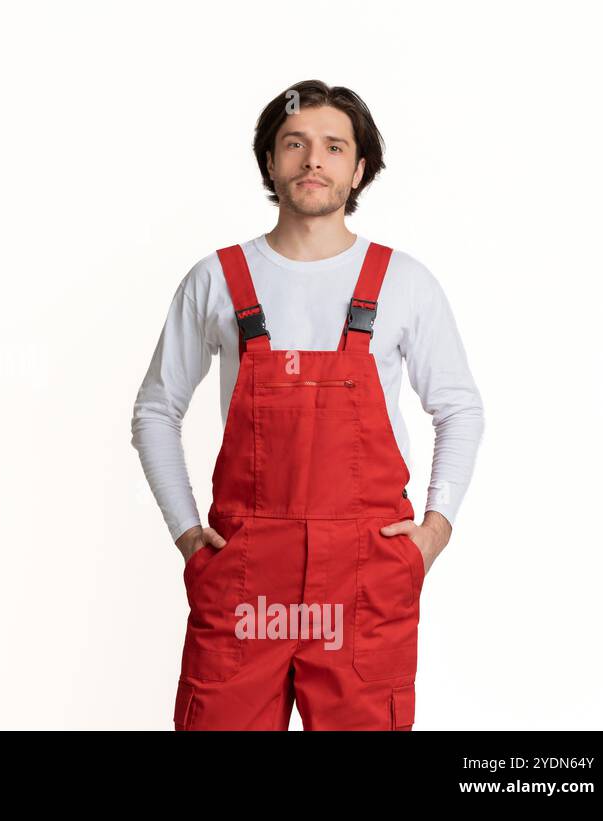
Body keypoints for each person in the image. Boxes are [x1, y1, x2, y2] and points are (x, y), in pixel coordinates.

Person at [129, 80, 484, 730]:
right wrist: (188, 535)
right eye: (294, 143)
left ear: (359, 167)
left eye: (332, 146)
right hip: (244, 572)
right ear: (270, 160)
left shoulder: (403, 281)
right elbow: (156, 408)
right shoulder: (217, 278)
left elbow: (458, 406)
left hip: (364, 575)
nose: (312, 160)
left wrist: (436, 529)